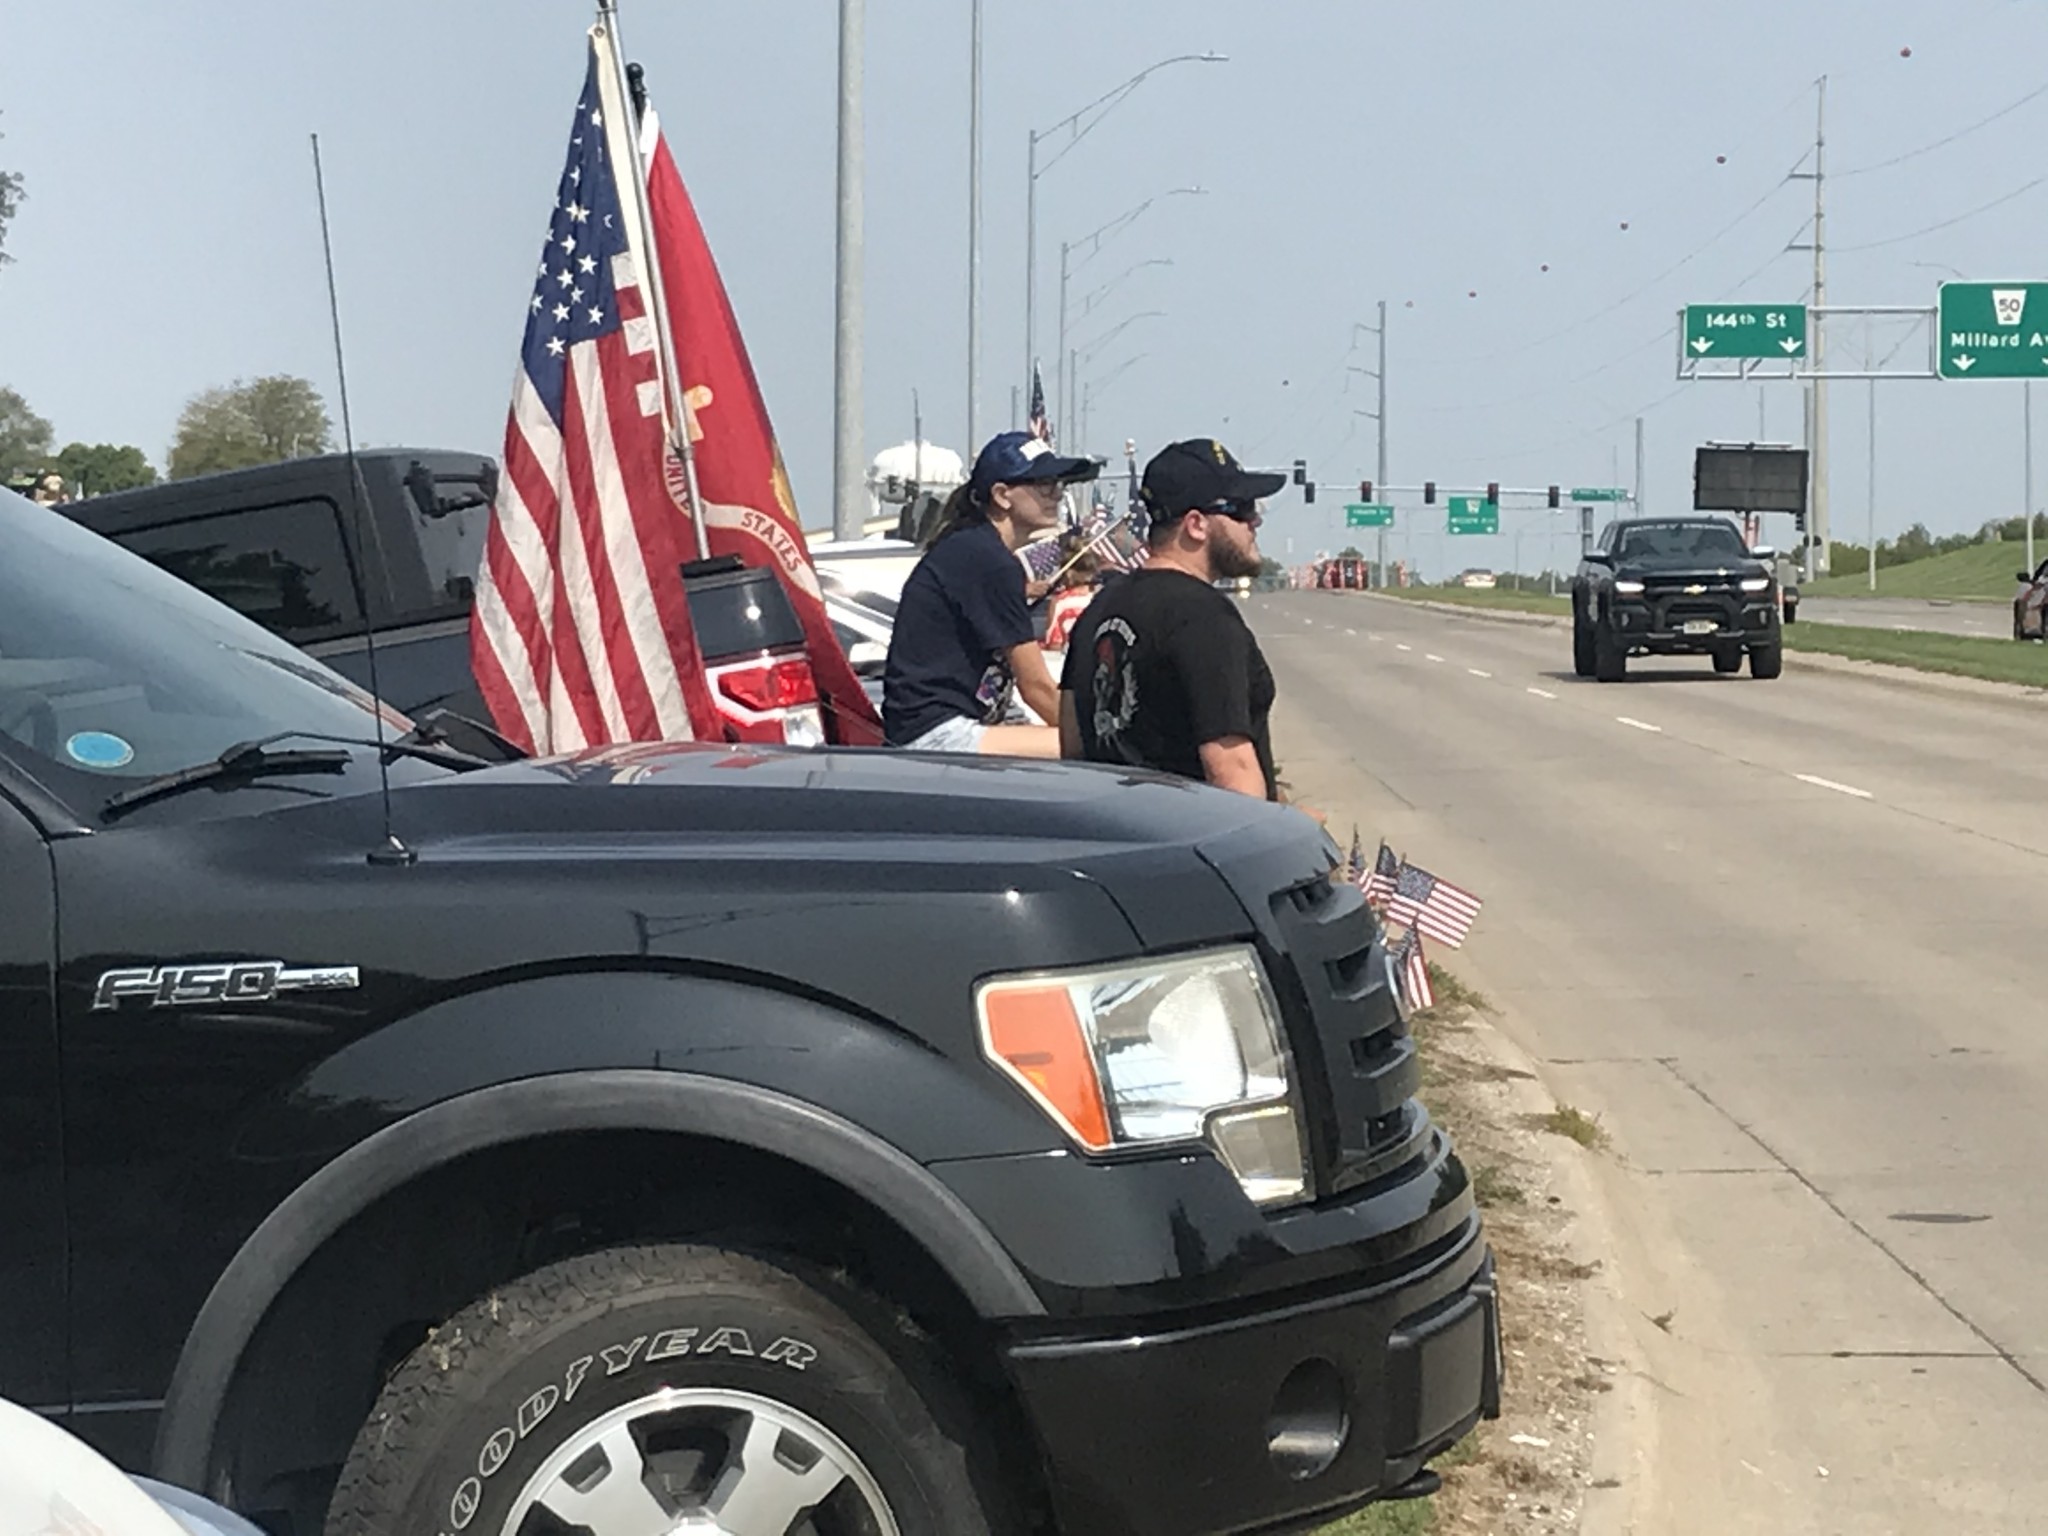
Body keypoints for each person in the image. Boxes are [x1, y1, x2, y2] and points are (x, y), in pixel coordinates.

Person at [1059, 438, 1284, 798]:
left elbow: (1073, 746)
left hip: (1112, 826)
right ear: (1196, 524)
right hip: (1194, 830)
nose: (1254, 520)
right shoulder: (1204, 617)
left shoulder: (1098, 609)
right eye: (1241, 509)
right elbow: (1233, 773)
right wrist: (1279, 828)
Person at [883, 430, 1098, 756]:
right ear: (1002, 495)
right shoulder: (987, 560)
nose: (1057, 494)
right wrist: (1101, 744)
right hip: (933, 734)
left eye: (1059, 484)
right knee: (1089, 749)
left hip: (949, 724)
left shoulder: (976, 549)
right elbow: (1036, 688)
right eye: (1044, 484)